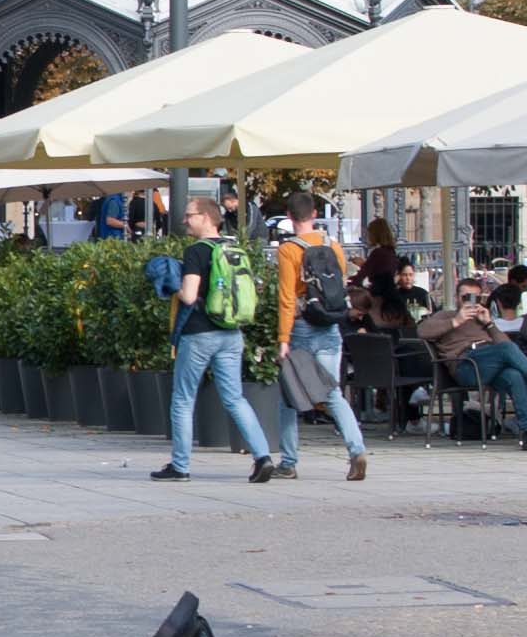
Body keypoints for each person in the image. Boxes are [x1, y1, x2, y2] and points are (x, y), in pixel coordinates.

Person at [153, 197, 275, 483]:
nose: (185, 220)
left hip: (199, 333)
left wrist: (172, 282)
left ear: (207, 217)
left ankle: (180, 466)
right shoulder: (234, 247)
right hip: (232, 332)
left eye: (189, 215)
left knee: (183, 399)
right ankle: (263, 456)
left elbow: (190, 295)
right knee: (234, 397)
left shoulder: (196, 251)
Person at [274, 191, 367, 481]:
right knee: (332, 393)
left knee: (289, 396)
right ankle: (357, 450)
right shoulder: (333, 245)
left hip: (301, 327)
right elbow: (338, 286)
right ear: (314, 214)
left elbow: (287, 298)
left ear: (289, 217)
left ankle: (289, 461)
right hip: (329, 326)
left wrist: (283, 338)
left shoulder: (289, 250)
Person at [418, 278, 527, 451]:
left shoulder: (482, 320)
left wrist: (490, 324)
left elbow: (506, 346)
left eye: (476, 298)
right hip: (466, 364)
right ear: (457, 298)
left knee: (514, 376)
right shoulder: (446, 315)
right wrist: (456, 321)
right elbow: (422, 331)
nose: (471, 302)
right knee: (506, 350)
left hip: (489, 363)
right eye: (466, 297)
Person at [352, 218, 399, 287]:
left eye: (369, 234)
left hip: (379, 292)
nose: (368, 237)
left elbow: (363, 274)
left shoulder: (378, 252)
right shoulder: (391, 251)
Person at [395, 258, 434, 322]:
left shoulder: (423, 294)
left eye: (410, 275)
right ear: (399, 276)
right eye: (405, 275)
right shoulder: (395, 295)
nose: (408, 278)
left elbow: (433, 314)